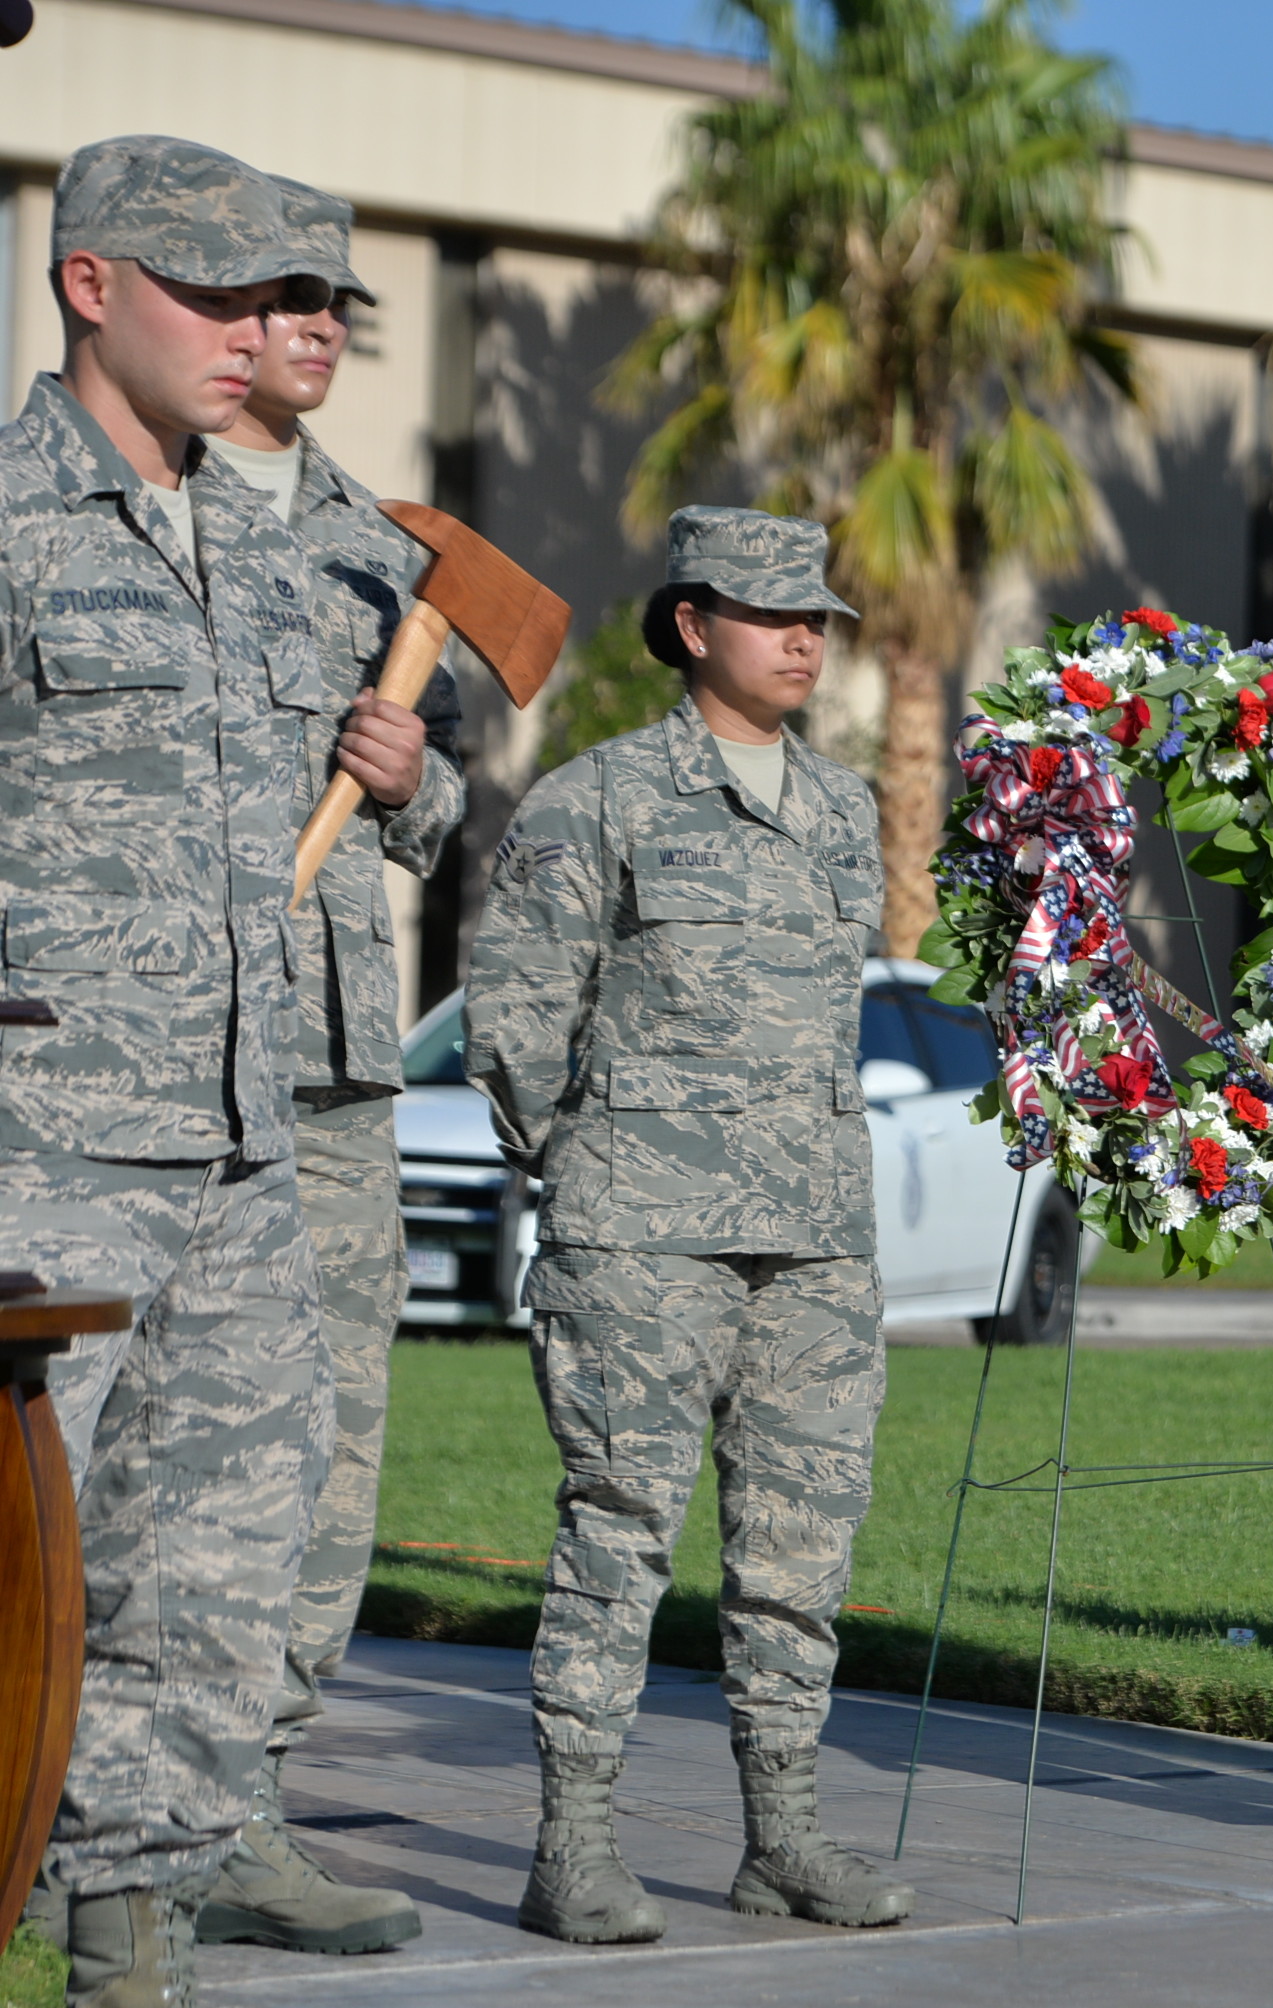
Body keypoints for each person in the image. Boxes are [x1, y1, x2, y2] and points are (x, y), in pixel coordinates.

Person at [0, 135, 349, 2003]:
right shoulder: (3, 518)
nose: (253, 330)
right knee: (6, 1585)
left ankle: (127, 1934)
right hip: (38, 1149)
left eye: (269, 296)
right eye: (208, 291)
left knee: (216, 1571)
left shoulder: (263, 548)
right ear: (87, 284)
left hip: (239, 1143)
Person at [465, 506, 906, 1943]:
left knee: (800, 1554)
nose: (802, 639)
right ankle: (573, 1842)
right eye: (768, 614)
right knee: (621, 1535)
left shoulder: (844, 808)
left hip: (816, 1241)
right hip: (641, 1241)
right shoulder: (602, 800)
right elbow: (520, 1016)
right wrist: (594, 1171)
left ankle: (782, 1835)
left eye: (816, 618)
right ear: (689, 626)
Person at [188, 175, 466, 1960]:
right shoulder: (135, 500)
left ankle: (240, 1802)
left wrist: (413, 768)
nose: (318, 323)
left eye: (339, 301)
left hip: (343, 1066)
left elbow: (429, 829)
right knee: (150, 1437)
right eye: (285, 293)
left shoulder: (383, 542)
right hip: (162, 1049)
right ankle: (90, 1785)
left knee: (328, 1448)